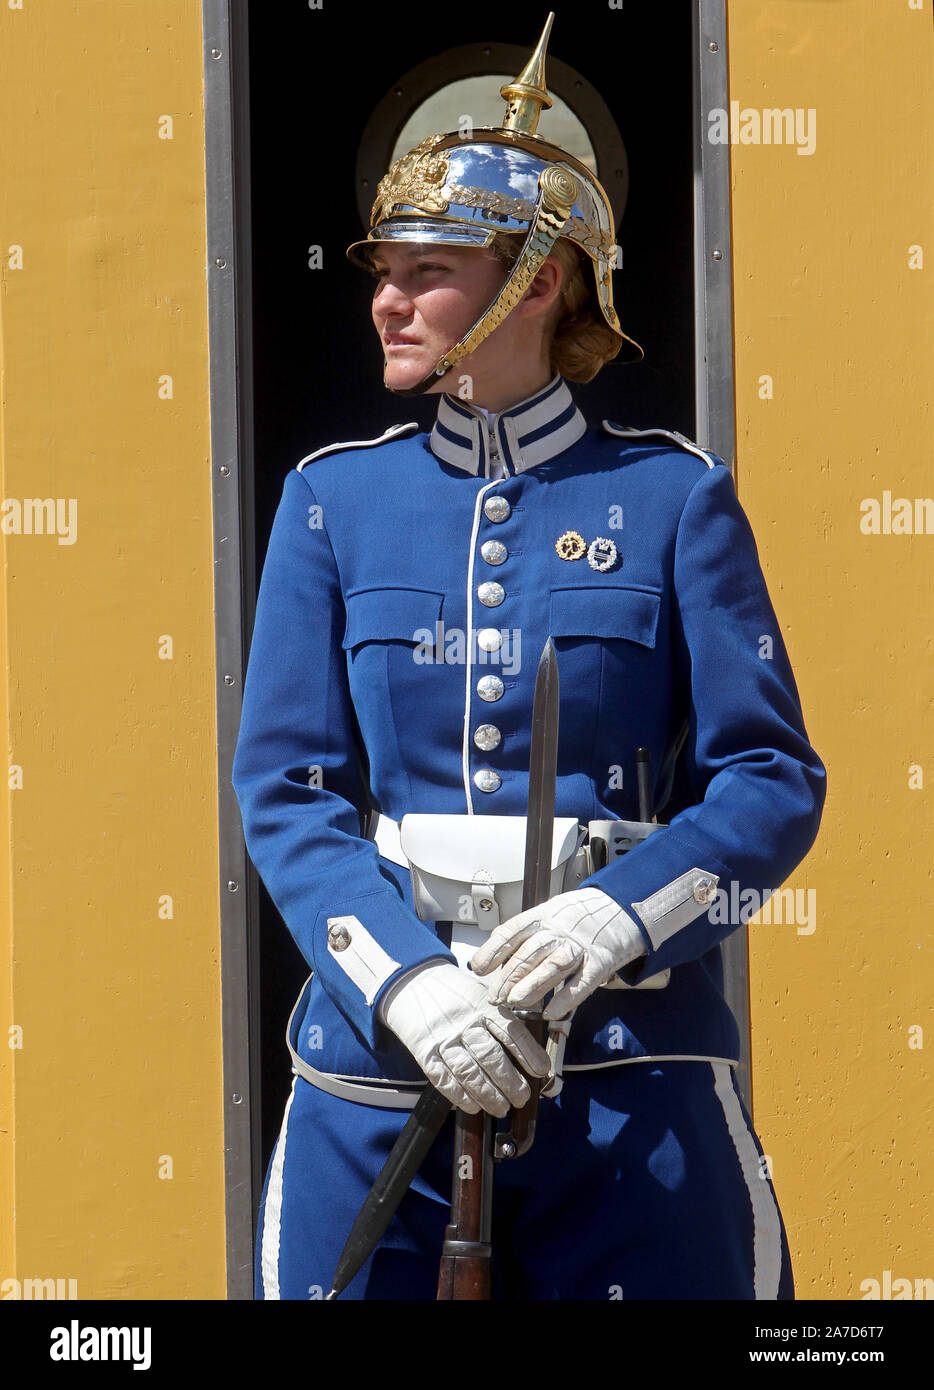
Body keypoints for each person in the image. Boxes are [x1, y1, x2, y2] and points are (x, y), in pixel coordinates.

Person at [232, 17, 826, 1301]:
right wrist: (412, 990)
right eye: (382, 265)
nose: (386, 296)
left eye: (429, 268)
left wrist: (614, 918)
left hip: (628, 1065)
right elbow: (286, 793)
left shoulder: (672, 498)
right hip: (380, 1062)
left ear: (540, 280)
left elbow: (771, 781)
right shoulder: (333, 502)